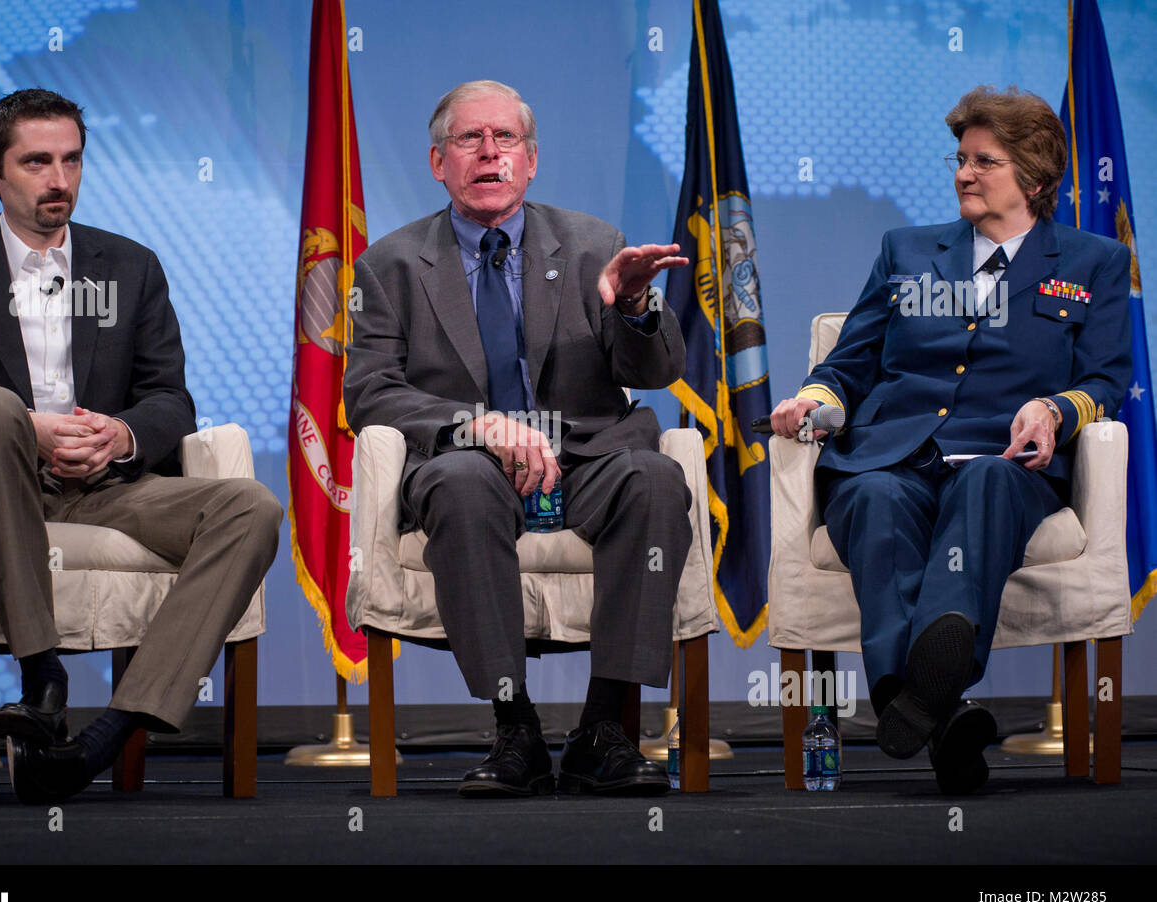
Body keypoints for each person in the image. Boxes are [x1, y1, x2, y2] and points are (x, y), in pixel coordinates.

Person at [0, 89, 283, 804]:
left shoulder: (129, 267)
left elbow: (169, 399)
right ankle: (42, 670)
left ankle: (107, 732)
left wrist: (120, 435)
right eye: (36, 162)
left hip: (111, 488)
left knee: (252, 506)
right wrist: (32, 427)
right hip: (1, 482)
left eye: (71, 160)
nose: (58, 179)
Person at [770, 86, 1131, 794]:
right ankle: (941, 709)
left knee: (987, 483)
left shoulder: (1092, 263)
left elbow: (1107, 380)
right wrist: (811, 402)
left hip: (1006, 461)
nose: (963, 173)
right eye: (959, 159)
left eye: (983, 161)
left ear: (1032, 176)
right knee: (872, 496)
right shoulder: (905, 251)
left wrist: (1056, 410)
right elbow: (848, 364)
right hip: (890, 454)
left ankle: (913, 693)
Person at [344, 80, 692, 797]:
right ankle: (515, 726)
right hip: (467, 460)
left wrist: (633, 304)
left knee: (656, 479)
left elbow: (654, 370)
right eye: (470, 139)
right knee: (462, 486)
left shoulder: (596, 244)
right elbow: (368, 390)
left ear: (531, 161)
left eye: (506, 139)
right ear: (438, 162)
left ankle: (604, 729)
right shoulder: (391, 264)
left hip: (586, 453)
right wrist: (473, 425)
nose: (490, 152)